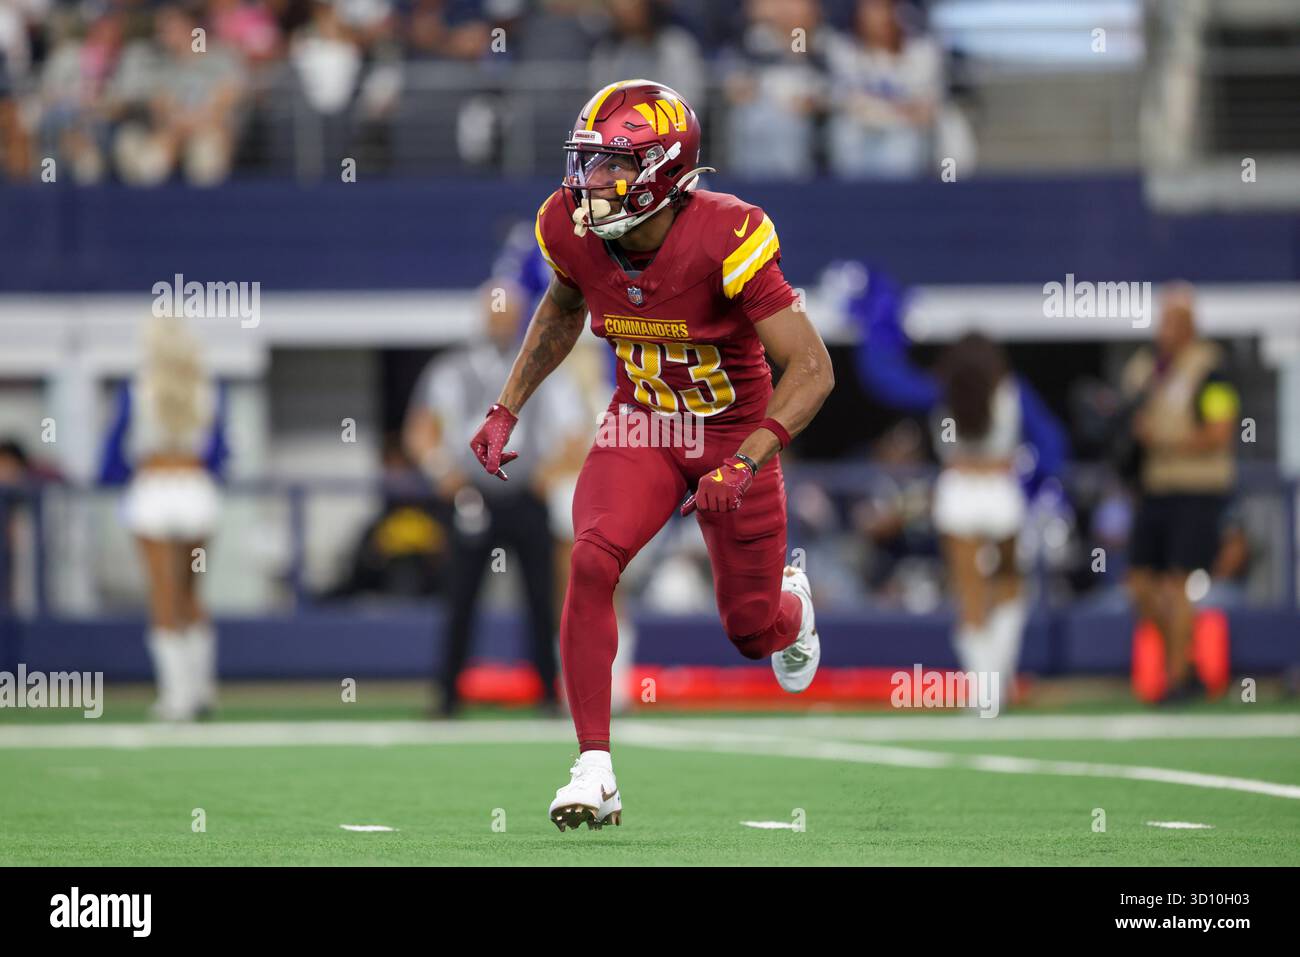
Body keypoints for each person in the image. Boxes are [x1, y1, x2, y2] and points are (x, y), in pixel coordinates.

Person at [468, 79, 835, 831]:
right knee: (594, 558)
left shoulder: (727, 236)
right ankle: (594, 766)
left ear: (663, 173)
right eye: (586, 163)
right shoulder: (569, 229)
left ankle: (794, 611)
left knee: (749, 628)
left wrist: (748, 459)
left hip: (734, 431)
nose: (589, 185)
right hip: (645, 425)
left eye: (611, 167)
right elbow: (565, 302)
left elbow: (814, 368)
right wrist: (508, 406)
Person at [846, 263, 1067, 711]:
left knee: (969, 597)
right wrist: (1034, 483)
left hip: (959, 495)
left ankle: (983, 695)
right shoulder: (1011, 390)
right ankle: (997, 685)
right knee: (1007, 590)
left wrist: (878, 326)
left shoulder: (941, 388)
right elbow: (1053, 443)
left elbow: (884, 378)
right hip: (1003, 494)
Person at [404, 279, 589, 718]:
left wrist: (547, 474)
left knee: (541, 597)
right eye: (496, 312)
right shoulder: (450, 369)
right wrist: (440, 472)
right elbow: (421, 429)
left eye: (510, 314)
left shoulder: (547, 368)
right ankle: (447, 697)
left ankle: (549, 693)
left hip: (525, 496)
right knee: (460, 596)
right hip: (472, 497)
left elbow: (575, 434)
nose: (502, 321)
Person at [99, 316, 227, 721]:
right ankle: (201, 688)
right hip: (195, 492)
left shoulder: (137, 388)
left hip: (154, 492)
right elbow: (220, 452)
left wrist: (112, 479)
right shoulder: (207, 387)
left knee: (163, 594)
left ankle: (177, 696)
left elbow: (114, 448)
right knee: (190, 594)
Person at [1121, 283, 1239, 702]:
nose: (1163, 330)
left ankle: (1176, 680)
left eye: (1173, 321)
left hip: (1196, 488)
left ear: (1190, 325)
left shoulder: (1211, 369)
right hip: (1156, 487)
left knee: (1178, 582)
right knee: (1138, 583)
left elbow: (1221, 432)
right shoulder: (1148, 367)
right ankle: (1184, 662)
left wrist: (1166, 441)